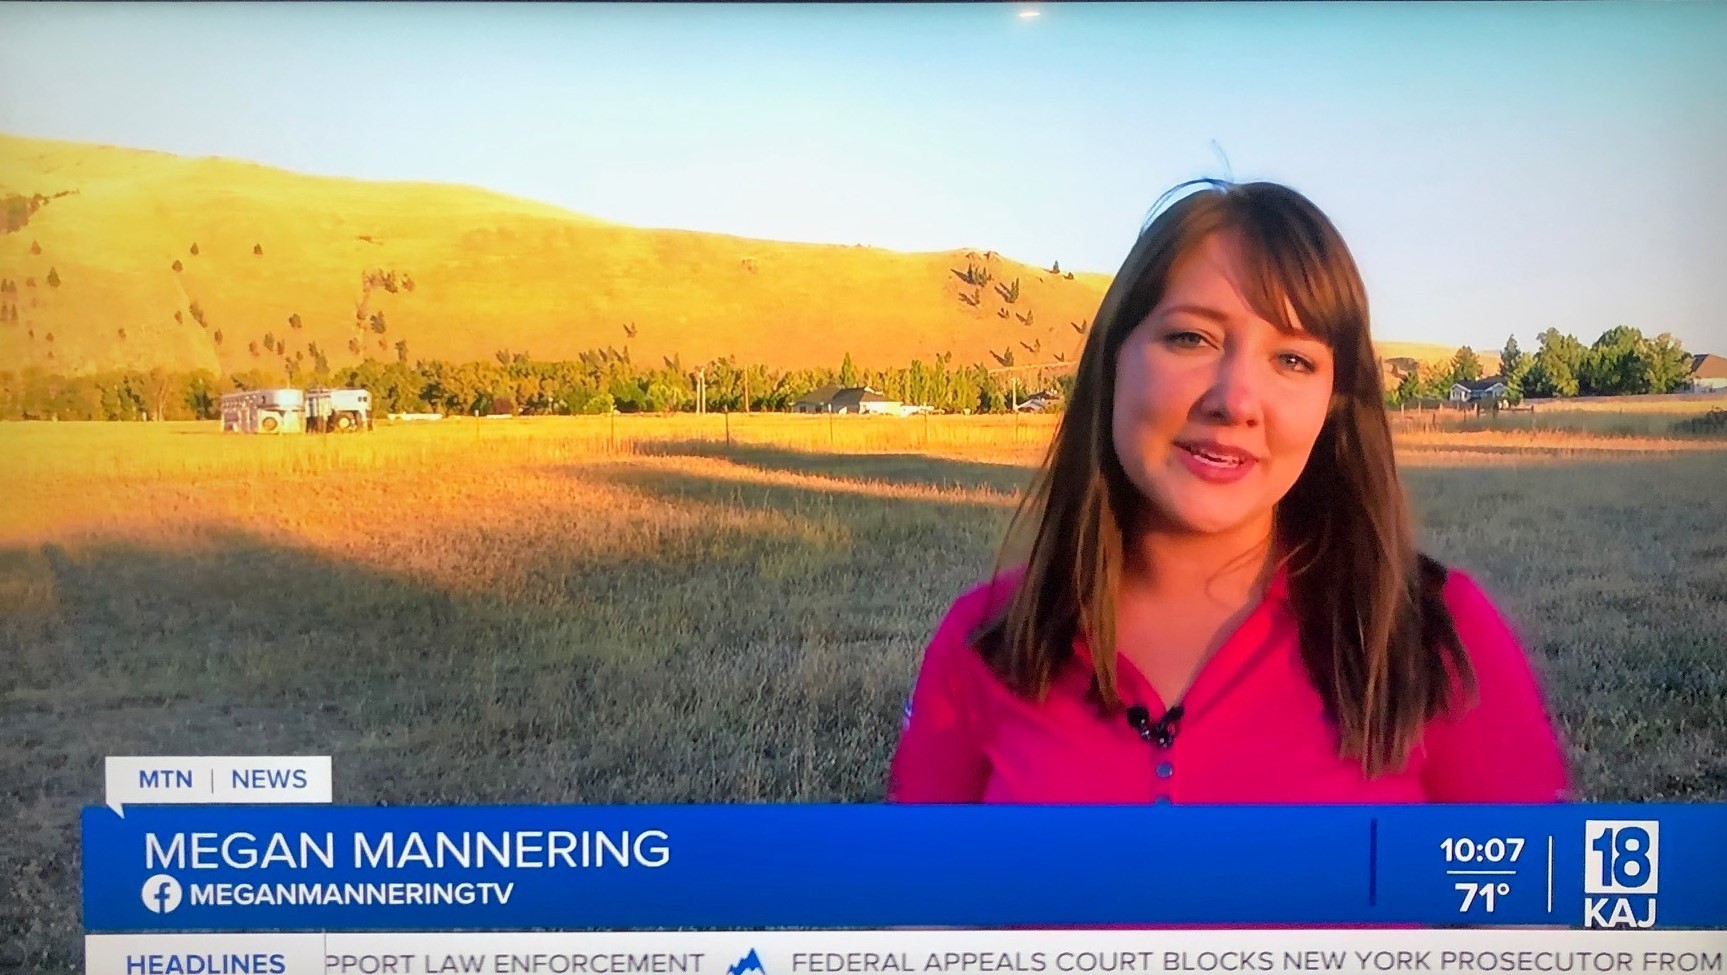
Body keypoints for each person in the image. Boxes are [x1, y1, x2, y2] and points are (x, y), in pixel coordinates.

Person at [889, 179, 1570, 804]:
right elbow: (918, 894)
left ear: (1334, 404)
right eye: (1190, 338)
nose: (1235, 400)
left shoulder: (1433, 636)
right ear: (1113, 360)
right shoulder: (986, 642)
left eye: (1292, 359)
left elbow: (1533, 895)